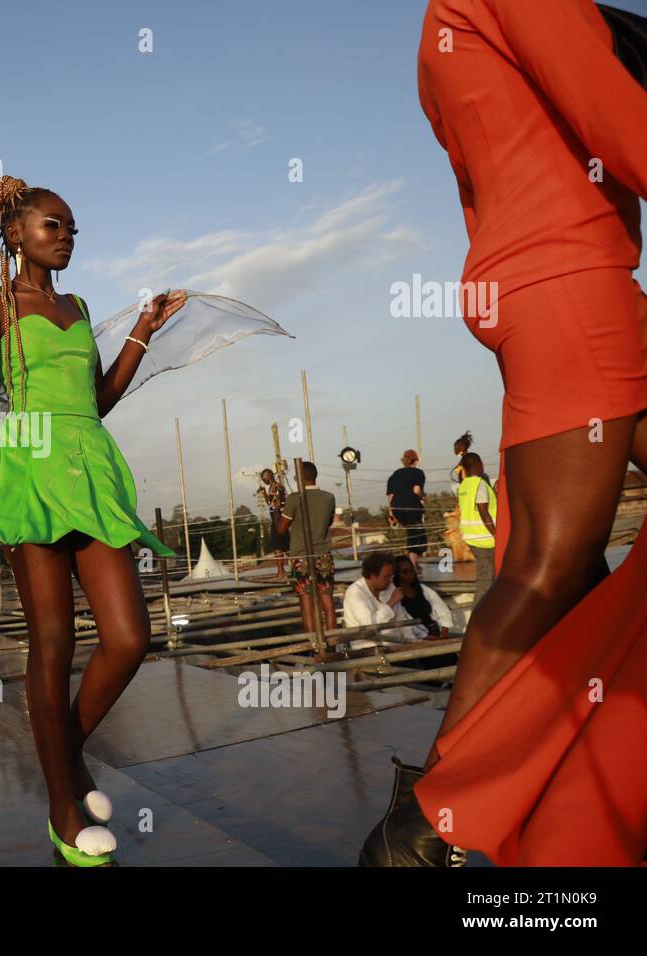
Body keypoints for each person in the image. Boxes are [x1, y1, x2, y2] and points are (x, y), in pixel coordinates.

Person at [362, 0, 647, 867]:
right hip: (570, 275)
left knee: (564, 566)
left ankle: (563, 796)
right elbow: (617, 117)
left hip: (537, 281)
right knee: (553, 562)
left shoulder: (439, 31)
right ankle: (425, 829)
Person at [0, 175, 187, 866]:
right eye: (53, 226)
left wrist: (143, 332)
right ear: (15, 234)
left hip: (89, 467)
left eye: (71, 229)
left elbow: (99, 398)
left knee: (129, 637)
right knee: (52, 640)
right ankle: (64, 807)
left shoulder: (81, 304)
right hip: (28, 466)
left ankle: (64, 758)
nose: (66, 237)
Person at [274, 461, 337, 634]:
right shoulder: (329, 497)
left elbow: (281, 529)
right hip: (324, 555)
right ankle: (332, 643)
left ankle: (314, 646)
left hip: (301, 557)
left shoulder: (294, 498)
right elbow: (329, 522)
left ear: (301, 477)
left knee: (306, 604)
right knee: (328, 602)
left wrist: (276, 511)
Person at [342, 551, 419, 648]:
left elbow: (401, 619)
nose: (390, 580)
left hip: (396, 646)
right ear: (372, 575)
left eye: (391, 576)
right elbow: (369, 626)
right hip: (369, 650)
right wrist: (390, 603)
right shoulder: (355, 593)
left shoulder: (389, 587)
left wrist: (413, 643)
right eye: (386, 576)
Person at [455, 452, 497, 599]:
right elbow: (483, 511)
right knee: (486, 581)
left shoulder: (464, 485)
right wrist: (497, 534)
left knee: (486, 579)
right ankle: (479, 616)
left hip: (472, 537)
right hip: (486, 538)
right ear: (479, 464)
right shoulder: (479, 484)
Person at [393, 555, 455, 639]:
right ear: (397, 574)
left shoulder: (422, 589)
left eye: (411, 570)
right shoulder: (396, 595)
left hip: (436, 631)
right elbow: (405, 621)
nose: (410, 574)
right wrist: (425, 636)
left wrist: (445, 628)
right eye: (405, 572)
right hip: (418, 638)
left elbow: (441, 607)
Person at [386, 450, 428, 570]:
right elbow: (416, 490)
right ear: (416, 460)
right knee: (420, 536)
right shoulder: (418, 473)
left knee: (411, 533)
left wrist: (391, 514)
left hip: (397, 508)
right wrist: (423, 496)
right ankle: (413, 564)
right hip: (412, 507)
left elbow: (390, 496)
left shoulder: (394, 474)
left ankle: (413, 563)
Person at [256, 468, 289, 579]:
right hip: (276, 519)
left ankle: (282, 572)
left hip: (279, 519)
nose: (263, 481)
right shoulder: (271, 487)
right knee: (279, 546)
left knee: (280, 546)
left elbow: (280, 502)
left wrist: (277, 508)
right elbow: (270, 503)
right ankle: (281, 571)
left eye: (263, 478)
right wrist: (264, 493)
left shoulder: (277, 487)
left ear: (268, 476)